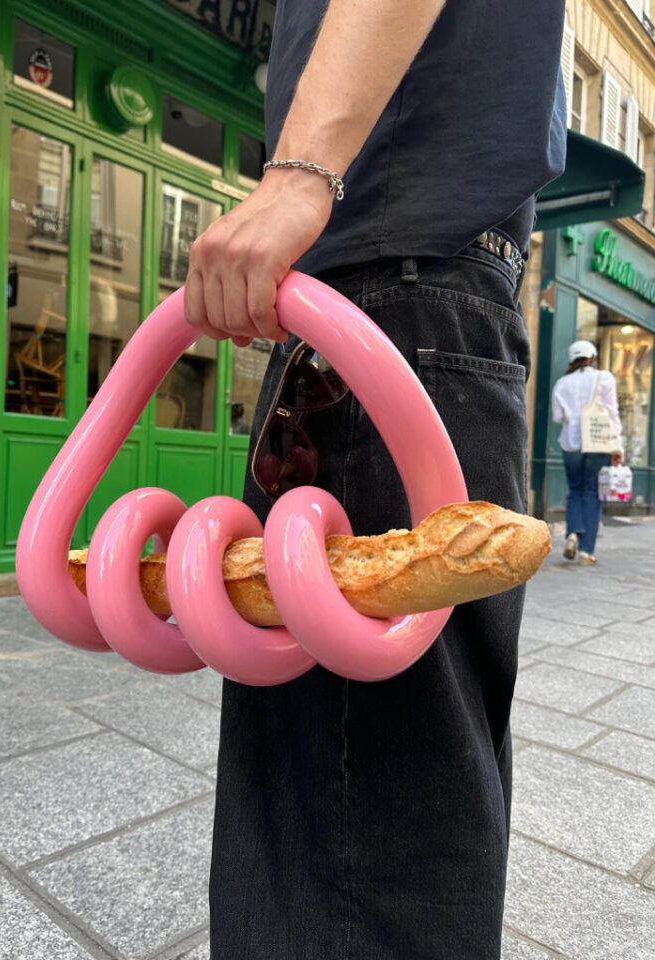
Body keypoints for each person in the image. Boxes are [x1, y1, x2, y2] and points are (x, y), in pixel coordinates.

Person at [183, 1, 567, 957]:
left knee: (349, 833)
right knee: (404, 805)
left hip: (376, 296)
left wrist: (297, 174)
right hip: (430, 303)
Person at [552, 339, 623, 566]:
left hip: (570, 444)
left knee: (575, 491)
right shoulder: (605, 378)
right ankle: (586, 551)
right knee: (592, 492)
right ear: (593, 356)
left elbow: (557, 417)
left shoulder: (562, 383)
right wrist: (617, 445)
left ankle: (573, 532)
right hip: (598, 442)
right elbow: (612, 413)